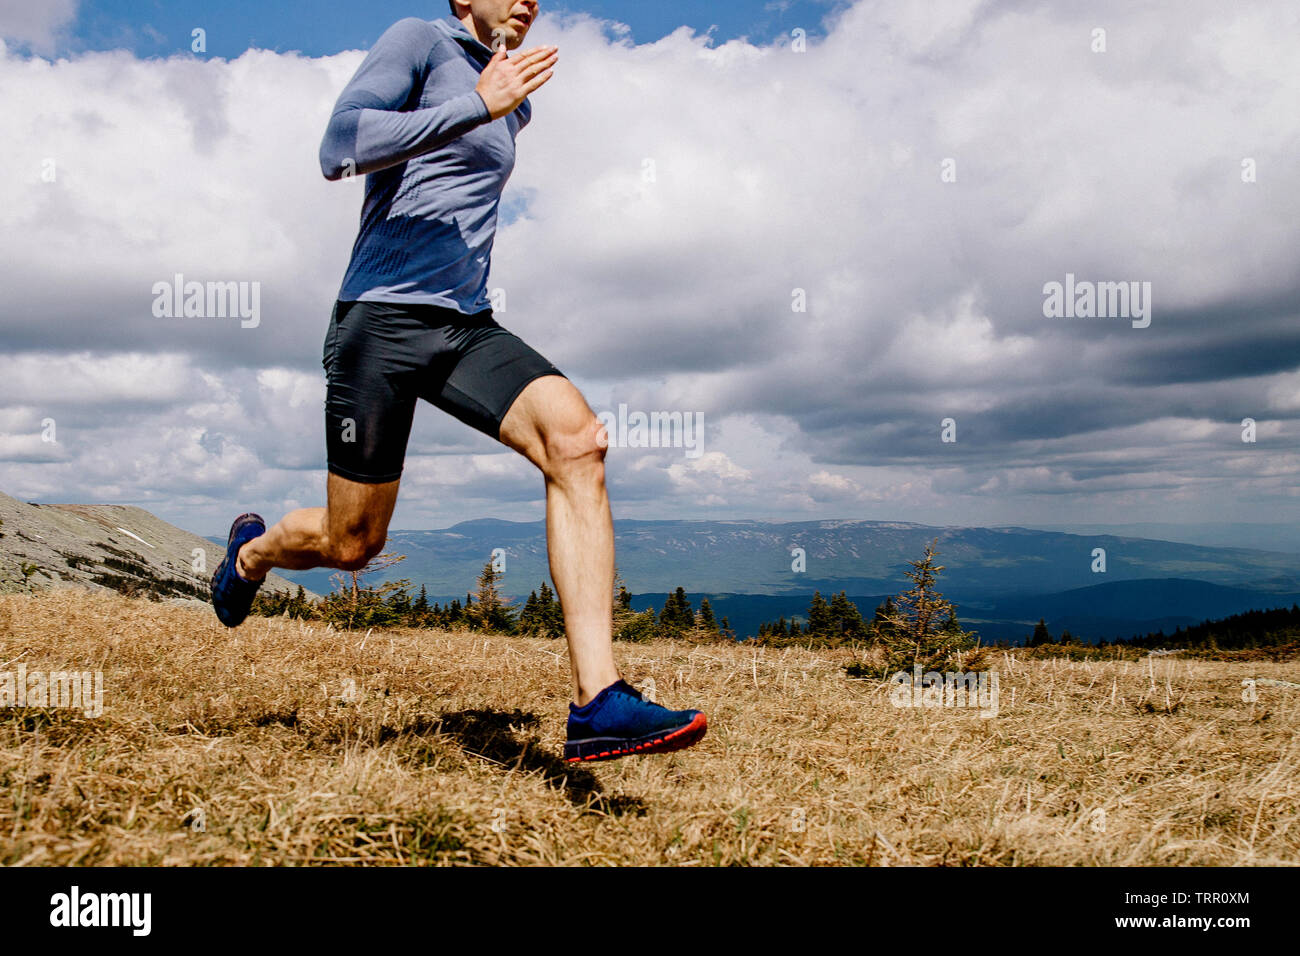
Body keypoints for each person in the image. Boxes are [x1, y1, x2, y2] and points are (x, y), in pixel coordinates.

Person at [209, 0, 706, 762]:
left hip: (464, 325)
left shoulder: (517, 100)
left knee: (578, 442)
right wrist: (476, 104)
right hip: (378, 321)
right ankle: (253, 553)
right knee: (353, 543)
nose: (529, 0)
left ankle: (598, 700)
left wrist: (498, 101)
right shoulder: (419, 42)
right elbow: (338, 147)